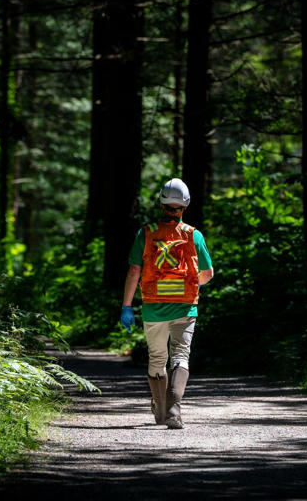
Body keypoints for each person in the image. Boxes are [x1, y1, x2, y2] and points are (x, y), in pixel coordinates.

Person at [120, 178, 214, 429]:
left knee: (157, 357)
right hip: (185, 307)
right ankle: (174, 408)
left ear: (162, 203)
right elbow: (207, 274)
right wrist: (187, 286)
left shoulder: (146, 232)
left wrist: (127, 306)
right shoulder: (194, 235)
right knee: (181, 356)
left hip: (153, 306)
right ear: (185, 205)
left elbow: (133, 270)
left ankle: (159, 406)